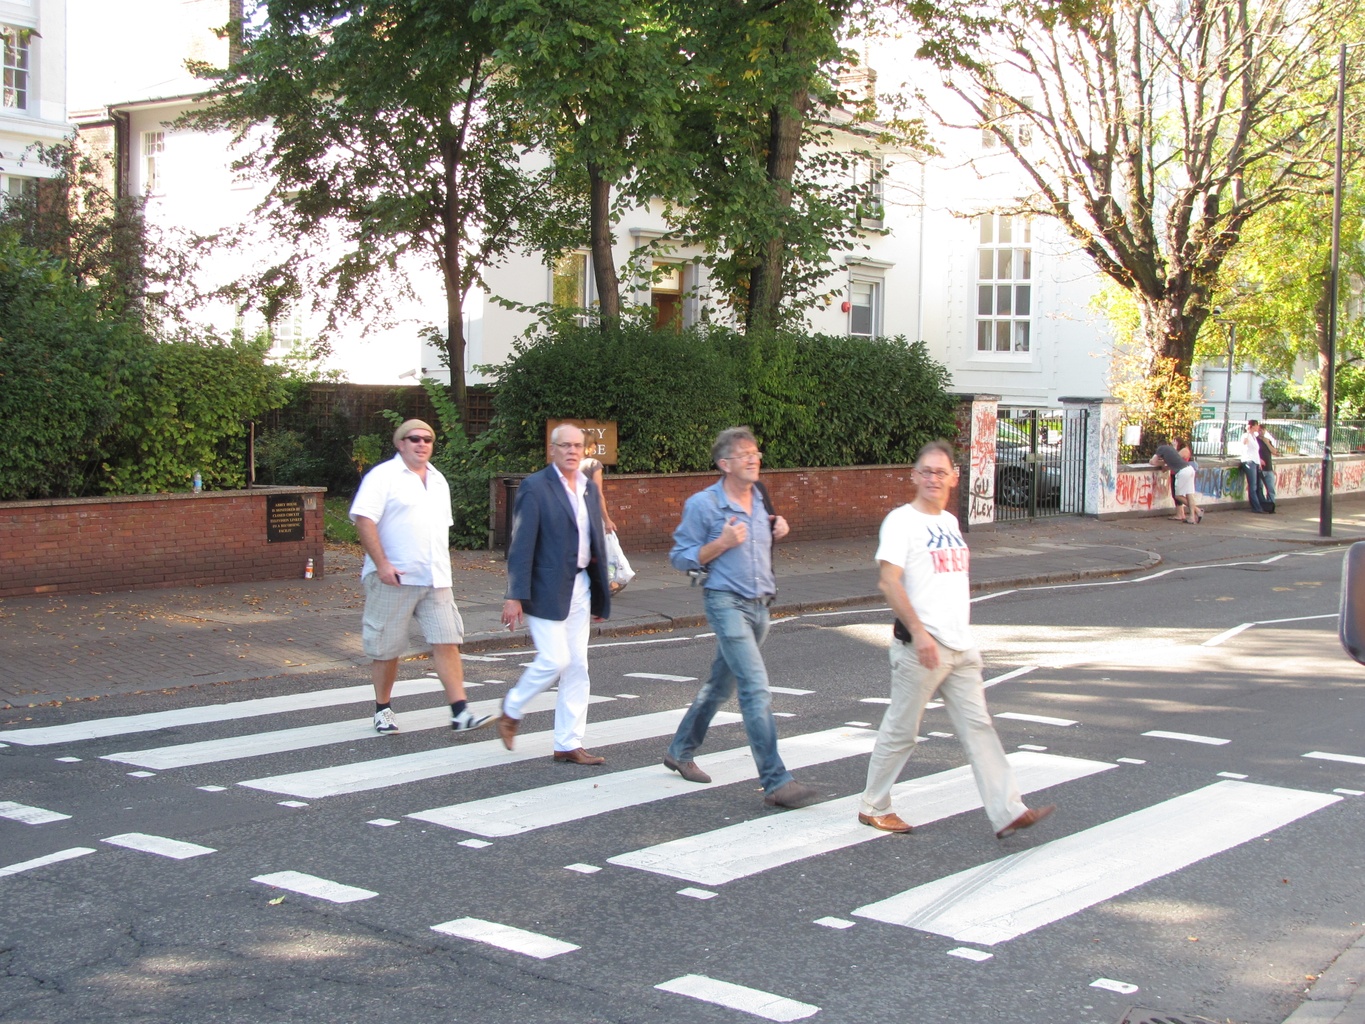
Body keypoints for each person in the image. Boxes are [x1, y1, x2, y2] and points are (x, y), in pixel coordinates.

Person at [857, 440, 1056, 839]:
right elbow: (888, 582)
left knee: (979, 727)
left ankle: (1007, 810)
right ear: (913, 476)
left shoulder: (949, 522)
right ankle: (873, 805)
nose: (933, 478)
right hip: (921, 648)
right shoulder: (901, 522)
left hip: (961, 646)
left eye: (940, 472)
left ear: (954, 477)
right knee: (902, 730)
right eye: (926, 471)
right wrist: (920, 634)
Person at [663, 427, 821, 809]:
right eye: (745, 454)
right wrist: (721, 543)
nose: (754, 459)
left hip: (761, 603)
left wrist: (777, 525)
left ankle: (680, 750)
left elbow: (761, 534)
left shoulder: (760, 495)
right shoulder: (704, 504)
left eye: (756, 453)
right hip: (725, 601)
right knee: (754, 687)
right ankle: (776, 780)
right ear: (724, 464)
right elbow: (681, 556)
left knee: (720, 686)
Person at [349, 419, 491, 735]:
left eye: (427, 439)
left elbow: (438, 529)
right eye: (414, 439)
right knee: (387, 648)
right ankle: (382, 709)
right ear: (401, 444)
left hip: (436, 579)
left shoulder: (439, 480)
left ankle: (460, 711)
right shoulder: (383, 476)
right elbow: (363, 519)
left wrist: (444, 568)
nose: (422, 444)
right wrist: (382, 564)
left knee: (447, 641)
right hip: (394, 578)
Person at [498, 424, 612, 765]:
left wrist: (601, 593)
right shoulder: (535, 487)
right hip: (543, 586)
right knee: (555, 660)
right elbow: (520, 543)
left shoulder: (589, 488)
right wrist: (513, 595)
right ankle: (512, 708)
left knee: (578, 666)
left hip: (580, 586)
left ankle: (568, 743)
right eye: (565, 446)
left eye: (578, 446)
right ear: (552, 450)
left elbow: (594, 541)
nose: (572, 451)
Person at [1151, 438, 1202, 524]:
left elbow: (1153, 461)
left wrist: (1154, 461)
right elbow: (1169, 463)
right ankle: (1192, 517)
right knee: (1189, 494)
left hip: (1182, 472)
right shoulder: (1171, 449)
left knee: (1178, 496)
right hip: (1189, 469)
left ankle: (1197, 510)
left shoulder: (1160, 449)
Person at [1239, 420, 1266, 513]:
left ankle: (1261, 504)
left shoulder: (1254, 437)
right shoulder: (1246, 435)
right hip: (1249, 461)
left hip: (1255, 462)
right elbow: (1244, 443)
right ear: (1252, 426)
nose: (1258, 427)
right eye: (1256, 425)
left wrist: (1259, 463)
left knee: (1259, 485)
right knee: (1253, 485)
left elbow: (1256, 451)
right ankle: (1256, 507)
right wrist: (1247, 432)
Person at [1257, 424, 1278, 513]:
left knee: (1271, 489)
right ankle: (1262, 505)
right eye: (1259, 430)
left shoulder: (1267, 440)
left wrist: (1267, 442)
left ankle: (1271, 506)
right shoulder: (1255, 441)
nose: (1261, 431)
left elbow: (1274, 452)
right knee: (1259, 488)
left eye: (1263, 430)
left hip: (1269, 468)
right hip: (1260, 468)